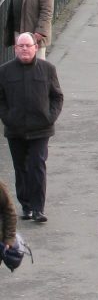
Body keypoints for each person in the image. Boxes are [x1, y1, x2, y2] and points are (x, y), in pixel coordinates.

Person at [0, 33, 63, 223]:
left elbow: (57, 96)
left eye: (28, 45)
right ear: (16, 49)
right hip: (16, 129)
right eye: (21, 46)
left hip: (41, 129)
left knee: (37, 166)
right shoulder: (5, 71)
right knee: (21, 168)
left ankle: (37, 209)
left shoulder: (47, 69)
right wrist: (8, 118)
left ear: (36, 47)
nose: (25, 49)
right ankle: (25, 205)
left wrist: (50, 117)